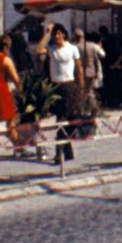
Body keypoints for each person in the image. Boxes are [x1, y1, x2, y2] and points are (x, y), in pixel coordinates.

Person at [44, 24, 82, 161]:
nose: (57, 37)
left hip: (69, 87)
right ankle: (61, 152)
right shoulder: (51, 49)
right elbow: (38, 50)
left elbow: (79, 69)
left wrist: (81, 88)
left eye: (59, 34)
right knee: (60, 121)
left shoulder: (72, 49)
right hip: (56, 88)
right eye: (55, 34)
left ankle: (65, 149)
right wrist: (47, 33)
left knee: (70, 121)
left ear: (64, 34)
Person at [77, 28, 106, 103]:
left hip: (80, 71)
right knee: (91, 90)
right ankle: (94, 106)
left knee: (84, 90)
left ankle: (87, 106)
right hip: (92, 71)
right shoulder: (93, 46)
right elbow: (103, 55)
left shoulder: (77, 46)